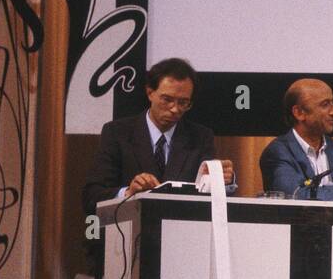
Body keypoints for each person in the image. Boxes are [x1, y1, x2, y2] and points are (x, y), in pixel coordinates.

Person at [82, 57, 233, 214]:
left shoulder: (200, 137)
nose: (174, 109)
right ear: (150, 93)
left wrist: (222, 179)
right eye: (167, 100)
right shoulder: (117, 133)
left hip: (180, 232)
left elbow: (208, 195)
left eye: (183, 103)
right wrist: (127, 193)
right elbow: (91, 197)